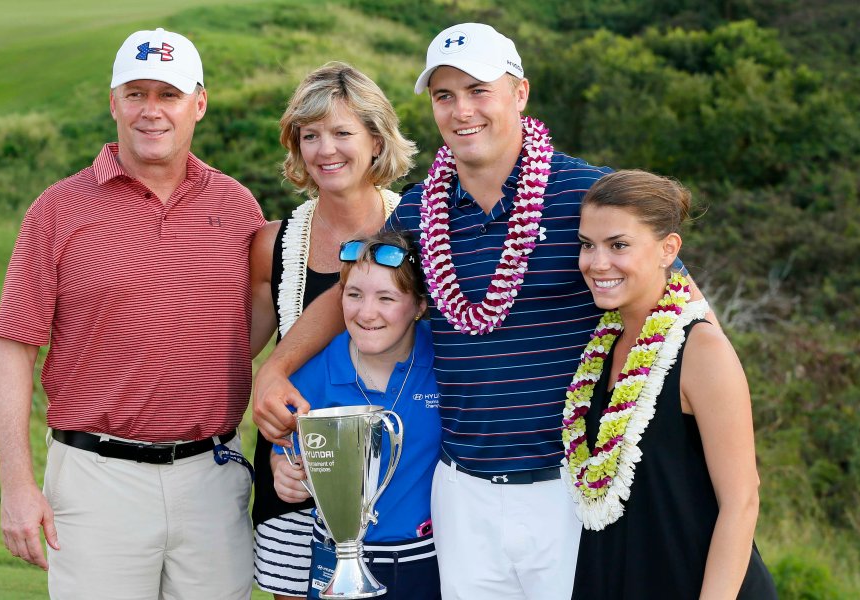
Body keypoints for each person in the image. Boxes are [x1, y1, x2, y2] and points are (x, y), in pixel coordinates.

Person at [253, 22, 651, 599]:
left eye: (478, 90)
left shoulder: (590, 196)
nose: (462, 110)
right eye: (444, 96)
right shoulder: (421, 211)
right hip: (461, 496)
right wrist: (275, 367)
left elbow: (672, 311)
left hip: (564, 486)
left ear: (520, 93)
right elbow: (351, 293)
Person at [0, 28, 264, 600]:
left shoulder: (235, 205)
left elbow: (247, 328)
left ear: (200, 103)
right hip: (96, 478)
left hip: (212, 475)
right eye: (135, 94)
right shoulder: (59, 208)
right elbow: (13, 349)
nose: (152, 111)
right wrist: (15, 484)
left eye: (169, 95)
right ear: (112, 102)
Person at [249, 62, 416, 600]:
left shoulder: (416, 229)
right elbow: (235, 351)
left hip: (401, 476)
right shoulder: (272, 244)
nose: (326, 150)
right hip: (292, 471)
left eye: (342, 132)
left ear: (375, 138)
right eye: (310, 135)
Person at [568, 170, 776, 599]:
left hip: (696, 581)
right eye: (587, 244)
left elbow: (742, 501)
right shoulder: (602, 344)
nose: (597, 262)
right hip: (617, 575)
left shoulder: (702, 350)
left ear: (668, 249)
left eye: (619, 245)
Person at [272, 231, 441, 599]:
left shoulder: (445, 363)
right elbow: (287, 450)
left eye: (387, 298)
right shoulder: (313, 374)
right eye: (354, 295)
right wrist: (284, 473)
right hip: (336, 560)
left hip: (428, 560)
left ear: (419, 305)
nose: (367, 313)